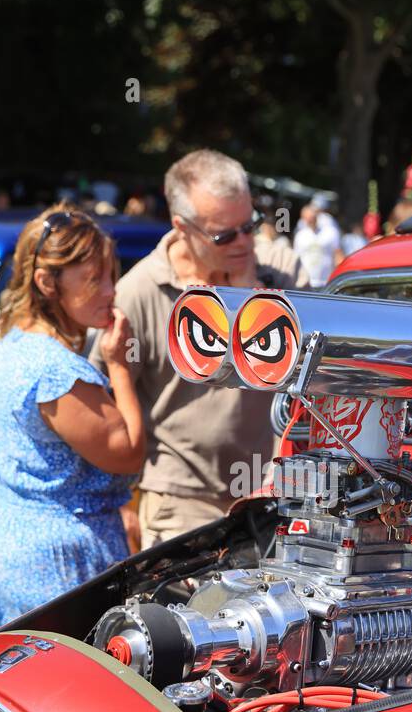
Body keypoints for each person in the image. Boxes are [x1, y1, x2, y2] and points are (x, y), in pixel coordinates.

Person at [91, 148, 308, 550]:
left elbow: (312, 370)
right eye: (225, 235)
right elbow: (102, 405)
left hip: (269, 493)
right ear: (182, 228)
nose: (245, 242)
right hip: (180, 498)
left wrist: (249, 295)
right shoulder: (139, 292)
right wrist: (118, 501)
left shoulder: (280, 270)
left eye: (251, 225)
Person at [0, 207, 145, 629]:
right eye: (93, 279)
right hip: (53, 562)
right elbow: (129, 453)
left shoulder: (11, 343)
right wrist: (118, 364)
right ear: (47, 283)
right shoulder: (56, 373)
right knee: (57, 685)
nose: (110, 291)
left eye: (112, 276)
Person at [292, 194, 342, 287]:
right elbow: (296, 258)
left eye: (312, 217)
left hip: (326, 283)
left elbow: (338, 255)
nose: (310, 220)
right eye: (307, 218)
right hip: (305, 283)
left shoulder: (330, 229)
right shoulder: (300, 235)